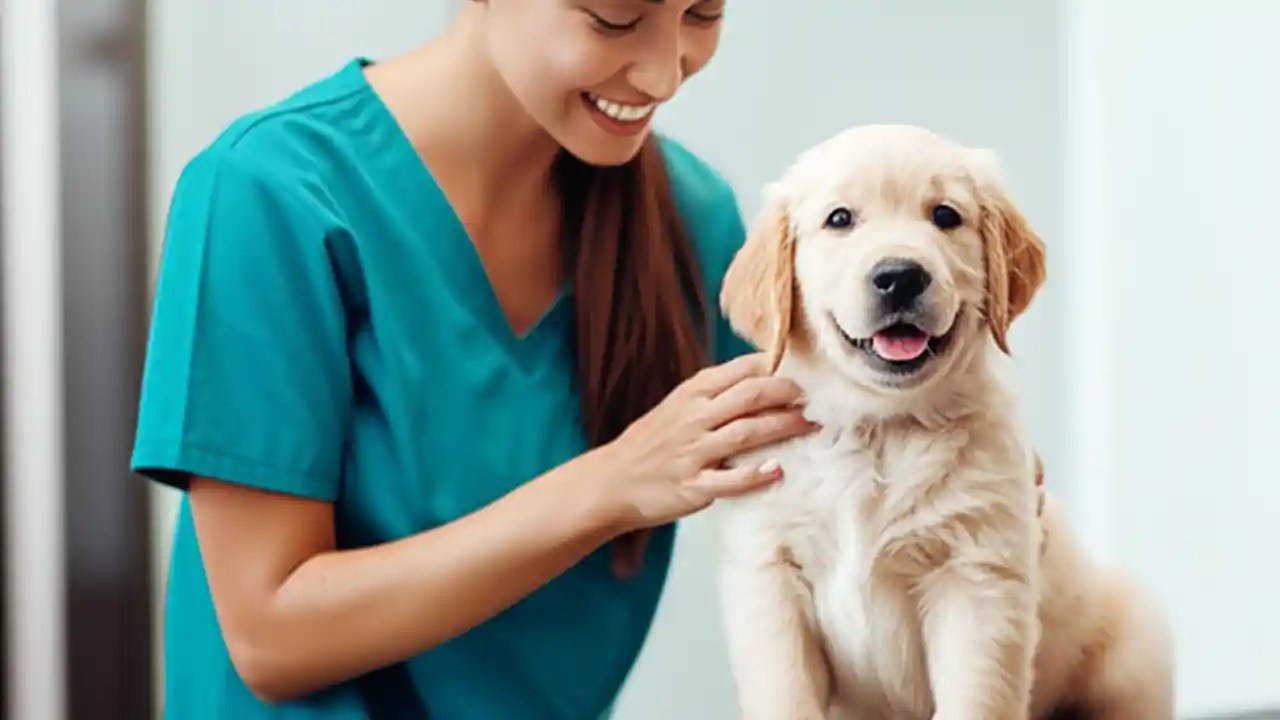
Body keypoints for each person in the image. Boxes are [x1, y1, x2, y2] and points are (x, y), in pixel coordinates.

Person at [131, 1, 817, 718]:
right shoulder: (269, 193)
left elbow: (826, 498)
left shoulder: (693, 221)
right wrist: (611, 484)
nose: (663, 71)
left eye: (702, 13)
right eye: (615, 20)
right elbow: (272, 638)